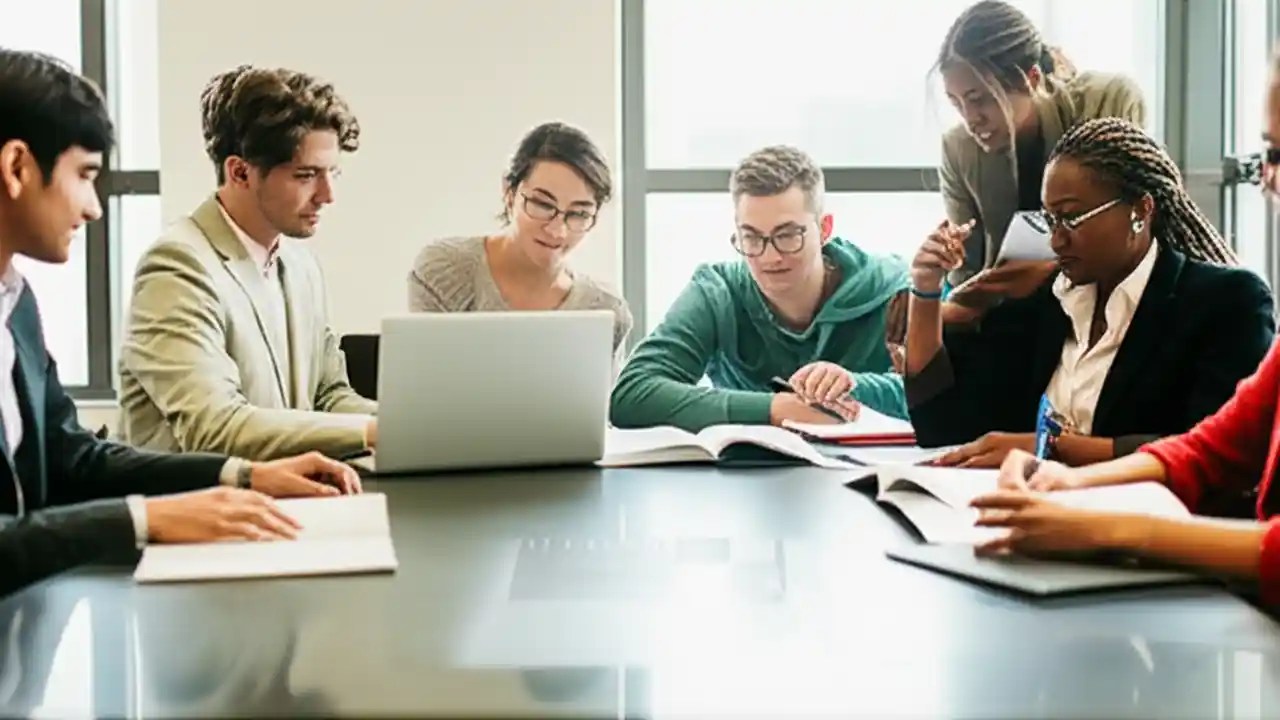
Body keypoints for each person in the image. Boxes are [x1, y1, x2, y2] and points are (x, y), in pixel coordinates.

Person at [0, 48, 361, 597]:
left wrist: (241, 476)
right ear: (17, 168)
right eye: (85, 175)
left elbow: (73, 457)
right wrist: (148, 520)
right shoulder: (179, 261)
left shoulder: (16, 306)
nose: (96, 208)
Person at [966, 50, 1280, 608]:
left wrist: (1108, 525)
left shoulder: (1223, 299)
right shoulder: (1055, 299)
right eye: (1268, 153)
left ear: (1140, 211)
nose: (1267, 182)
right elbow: (1207, 450)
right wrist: (1062, 482)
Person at [905, 117, 1270, 470]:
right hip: (1037, 516)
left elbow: (1220, 453)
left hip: (1145, 524)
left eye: (1071, 218)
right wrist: (926, 289)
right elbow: (941, 428)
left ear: (1140, 210)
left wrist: (1053, 448)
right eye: (1050, 219)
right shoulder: (1046, 301)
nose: (1055, 239)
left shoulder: (1225, 302)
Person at [118, 65, 378, 461]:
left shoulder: (301, 264)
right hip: (202, 513)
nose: (328, 195)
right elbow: (216, 427)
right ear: (239, 172)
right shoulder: (177, 267)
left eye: (333, 174)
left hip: (291, 502)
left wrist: (405, 425)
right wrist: (374, 431)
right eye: (306, 175)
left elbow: (328, 396)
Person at [610, 145, 910, 433]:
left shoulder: (895, 287)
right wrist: (775, 408)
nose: (770, 257)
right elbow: (632, 394)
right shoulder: (717, 291)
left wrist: (855, 386)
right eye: (752, 237)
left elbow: (950, 396)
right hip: (744, 479)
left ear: (825, 229)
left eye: (788, 235)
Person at [932, 0, 1147, 319]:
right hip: (1007, 318)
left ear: (1031, 78)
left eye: (980, 100)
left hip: (1111, 301)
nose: (970, 119)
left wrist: (1044, 271)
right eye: (956, 103)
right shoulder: (959, 149)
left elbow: (1131, 229)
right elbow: (967, 274)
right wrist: (937, 275)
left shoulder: (1106, 102)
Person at [408, 122, 632, 361]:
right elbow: (428, 385)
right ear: (509, 192)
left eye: (578, 214)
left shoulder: (606, 309)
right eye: (543, 204)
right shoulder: (445, 271)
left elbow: (603, 398)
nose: (557, 231)